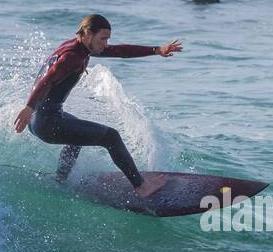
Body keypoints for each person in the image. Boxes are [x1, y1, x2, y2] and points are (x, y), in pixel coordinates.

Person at [13, 14, 182, 197]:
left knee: (76, 138)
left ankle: (60, 179)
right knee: (111, 136)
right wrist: (29, 107)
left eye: (107, 39)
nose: (106, 44)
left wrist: (156, 50)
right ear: (87, 34)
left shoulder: (77, 47)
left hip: (39, 119)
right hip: (46, 122)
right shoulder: (72, 57)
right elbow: (47, 81)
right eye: (103, 38)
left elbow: (119, 51)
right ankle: (141, 187)